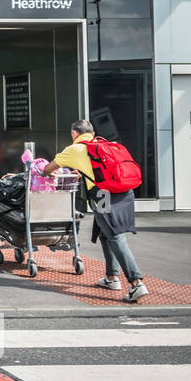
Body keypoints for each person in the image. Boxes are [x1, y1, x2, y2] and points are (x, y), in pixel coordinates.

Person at [44, 119, 146, 302]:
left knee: (115, 235)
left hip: (104, 195)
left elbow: (47, 168)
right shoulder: (103, 144)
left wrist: (49, 173)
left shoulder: (74, 149)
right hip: (124, 192)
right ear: (91, 132)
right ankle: (112, 278)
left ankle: (136, 282)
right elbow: (96, 168)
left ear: (74, 134)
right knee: (105, 233)